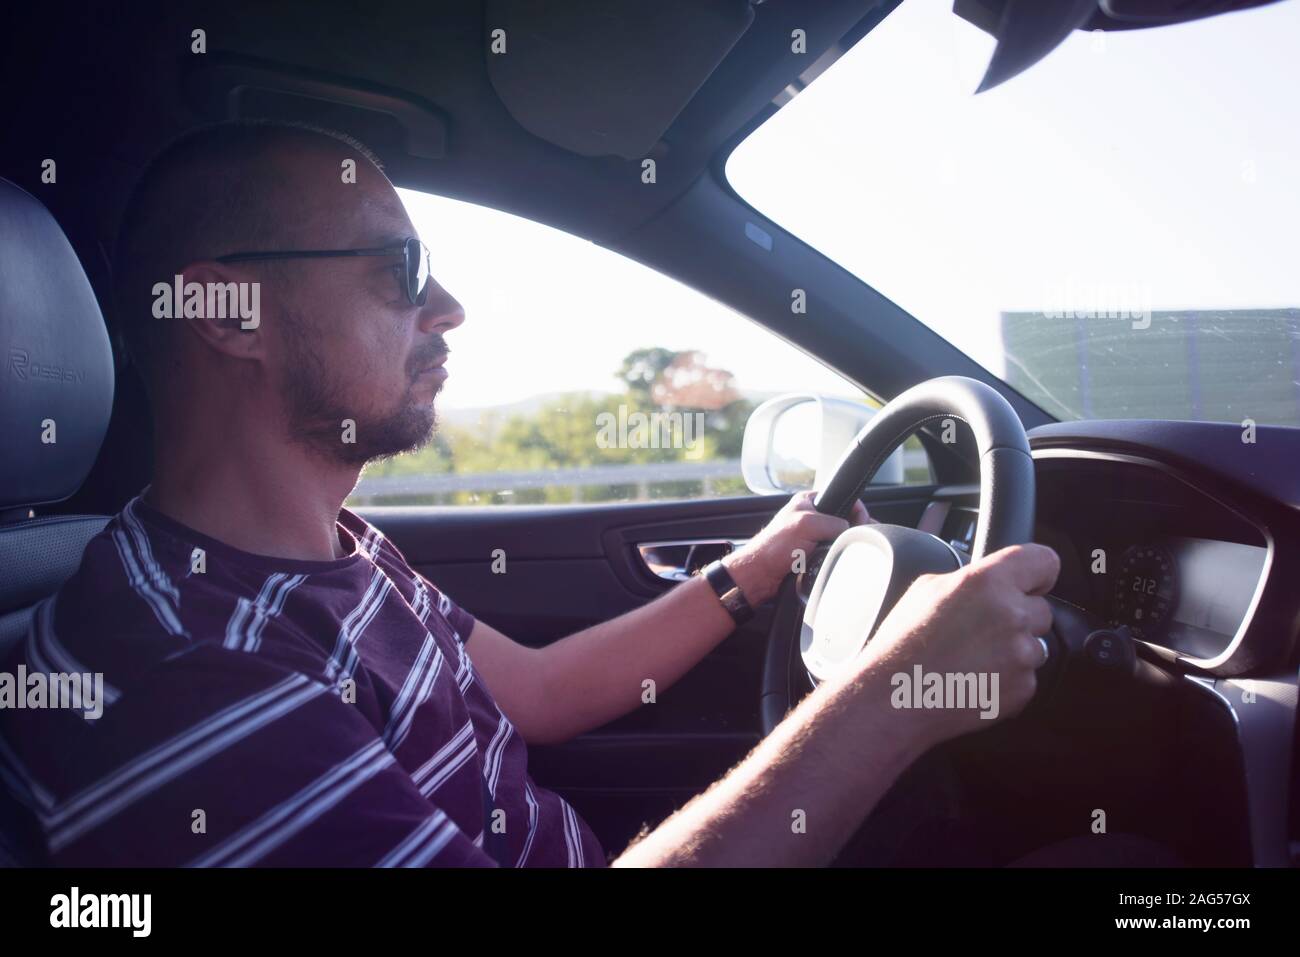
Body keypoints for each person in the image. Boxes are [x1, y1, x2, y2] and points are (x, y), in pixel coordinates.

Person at [0, 120, 1059, 867]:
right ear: (226, 311)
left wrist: (755, 569)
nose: (450, 308)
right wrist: (895, 697)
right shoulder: (188, 674)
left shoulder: (333, 551)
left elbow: (539, 694)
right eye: (400, 272)